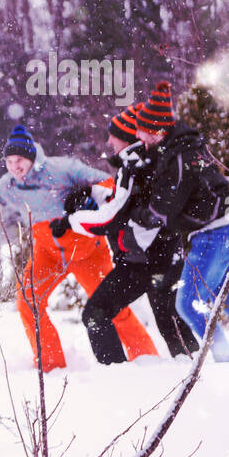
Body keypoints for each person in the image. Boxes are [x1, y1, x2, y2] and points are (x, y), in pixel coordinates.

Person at [0, 123, 158, 372]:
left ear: (31, 156)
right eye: (9, 161)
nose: (14, 167)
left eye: (19, 159)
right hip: (48, 254)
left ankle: (147, 359)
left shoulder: (63, 169)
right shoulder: (9, 185)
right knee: (27, 303)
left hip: (87, 253)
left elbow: (110, 184)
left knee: (113, 307)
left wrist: (91, 198)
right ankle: (51, 367)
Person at [125, 85, 229, 361]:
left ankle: (226, 360)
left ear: (158, 131)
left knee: (188, 304)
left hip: (214, 234)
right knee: (228, 297)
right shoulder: (184, 147)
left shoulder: (178, 159)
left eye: (142, 130)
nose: (137, 136)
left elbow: (160, 213)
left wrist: (132, 209)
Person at [54, 100, 198, 363]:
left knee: (96, 314)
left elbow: (110, 220)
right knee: (172, 328)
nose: (108, 141)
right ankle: (198, 374)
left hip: (143, 263)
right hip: (163, 259)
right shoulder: (143, 163)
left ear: (128, 137)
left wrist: (70, 222)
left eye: (113, 135)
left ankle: (118, 377)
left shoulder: (134, 167)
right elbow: (127, 203)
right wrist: (93, 193)